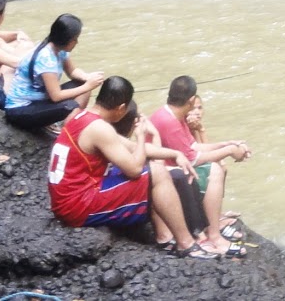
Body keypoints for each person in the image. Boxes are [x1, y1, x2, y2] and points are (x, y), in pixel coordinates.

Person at [47, 75, 220, 258]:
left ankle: (166, 236)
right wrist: (140, 135)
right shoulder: (100, 129)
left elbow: (129, 148)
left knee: (155, 171)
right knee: (158, 173)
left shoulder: (81, 116)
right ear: (122, 108)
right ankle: (186, 244)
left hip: (66, 199)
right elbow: (135, 169)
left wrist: (175, 154)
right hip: (77, 206)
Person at [150, 76, 251, 251]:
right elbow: (193, 159)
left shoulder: (174, 115)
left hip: (173, 169)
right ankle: (214, 235)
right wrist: (229, 151)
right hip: (166, 175)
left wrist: (228, 144)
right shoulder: (169, 121)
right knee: (215, 169)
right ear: (190, 100)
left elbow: (194, 147)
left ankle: (212, 224)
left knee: (216, 165)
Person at [4, 13, 105, 132]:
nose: (76, 42)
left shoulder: (59, 49)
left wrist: (87, 77)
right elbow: (56, 96)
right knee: (70, 106)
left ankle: (67, 125)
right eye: (75, 39)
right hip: (21, 109)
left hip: (40, 100)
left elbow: (72, 71)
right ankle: (67, 133)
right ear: (66, 39)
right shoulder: (46, 58)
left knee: (82, 85)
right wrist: (88, 85)